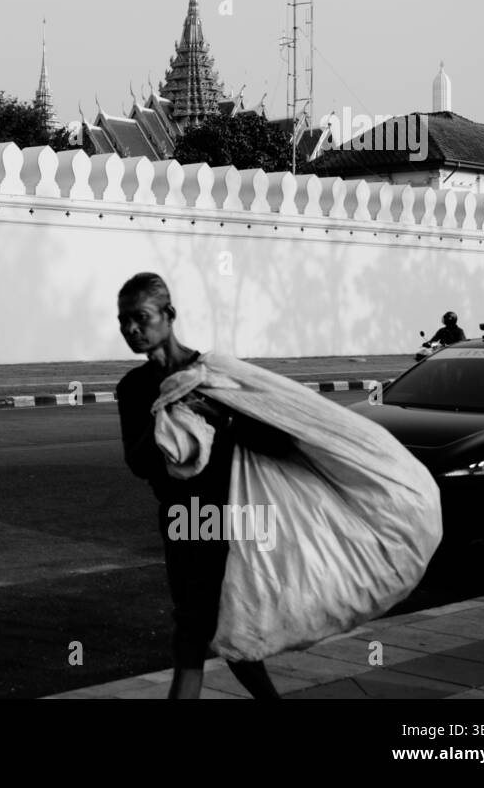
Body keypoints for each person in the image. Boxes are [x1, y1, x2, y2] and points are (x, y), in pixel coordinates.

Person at [115, 271, 294, 699]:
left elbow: (274, 440)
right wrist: (167, 409)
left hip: (232, 516)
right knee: (203, 624)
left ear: (169, 314)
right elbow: (139, 463)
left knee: (212, 624)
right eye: (123, 321)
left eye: (140, 317)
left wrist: (222, 418)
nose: (131, 330)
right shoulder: (135, 387)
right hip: (181, 518)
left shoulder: (214, 374)